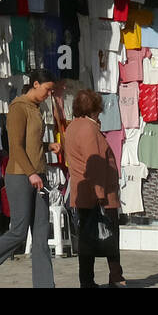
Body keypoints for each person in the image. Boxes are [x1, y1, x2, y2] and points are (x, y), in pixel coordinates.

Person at [0, 69, 58, 288]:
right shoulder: (18, 108)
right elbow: (15, 147)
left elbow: (31, 145)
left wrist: (47, 147)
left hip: (37, 176)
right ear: (36, 84)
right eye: (47, 89)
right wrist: (31, 173)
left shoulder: (36, 108)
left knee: (41, 234)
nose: (49, 94)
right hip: (20, 175)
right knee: (18, 231)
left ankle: (45, 285)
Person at [63, 89, 125, 288]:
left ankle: (87, 280)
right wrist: (100, 193)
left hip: (81, 193)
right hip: (100, 193)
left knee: (87, 240)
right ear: (95, 108)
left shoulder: (72, 127)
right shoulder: (89, 129)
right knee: (110, 235)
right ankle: (116, 277)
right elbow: (95, 163)